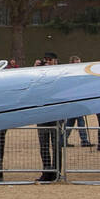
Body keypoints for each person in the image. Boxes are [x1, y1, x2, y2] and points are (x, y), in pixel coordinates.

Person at [36, 52, 61, 181]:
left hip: (56, 113)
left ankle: (57, 171)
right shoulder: (40, 73)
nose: (47, 62)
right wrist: (36, 69)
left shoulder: (60, 72)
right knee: (44, 145)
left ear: (55, 61)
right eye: (45, 60)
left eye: (49, 60)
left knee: (56, 145)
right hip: (42, 114)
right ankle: (46, 170)